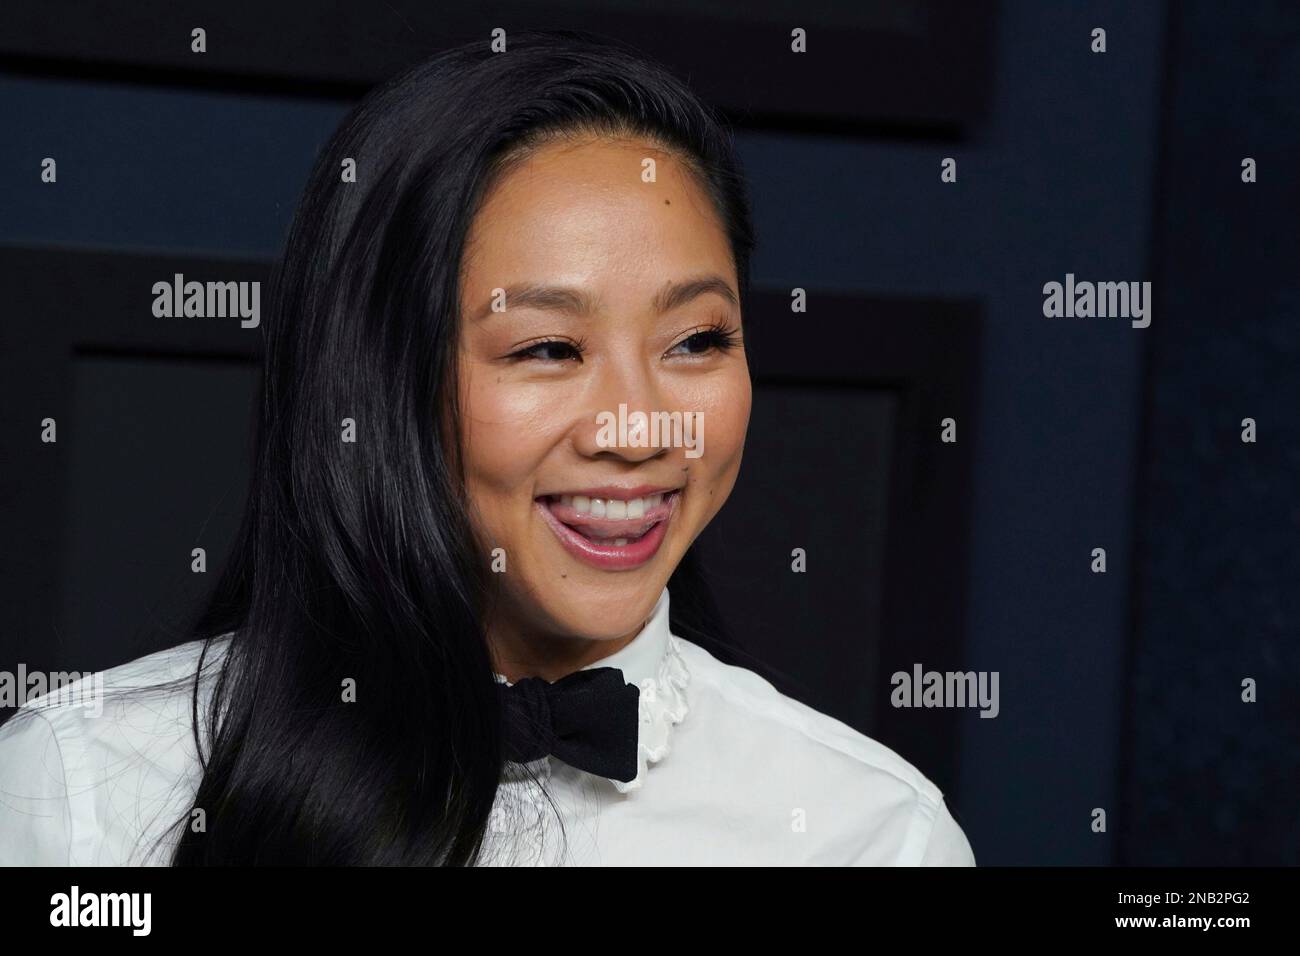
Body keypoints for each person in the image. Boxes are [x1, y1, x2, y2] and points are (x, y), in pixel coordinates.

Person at [0, 29, 974, 866]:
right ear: (379, 374)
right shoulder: (82, 788)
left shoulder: (868, 832)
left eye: (696, 342)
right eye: (548, 347)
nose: (638, 427)